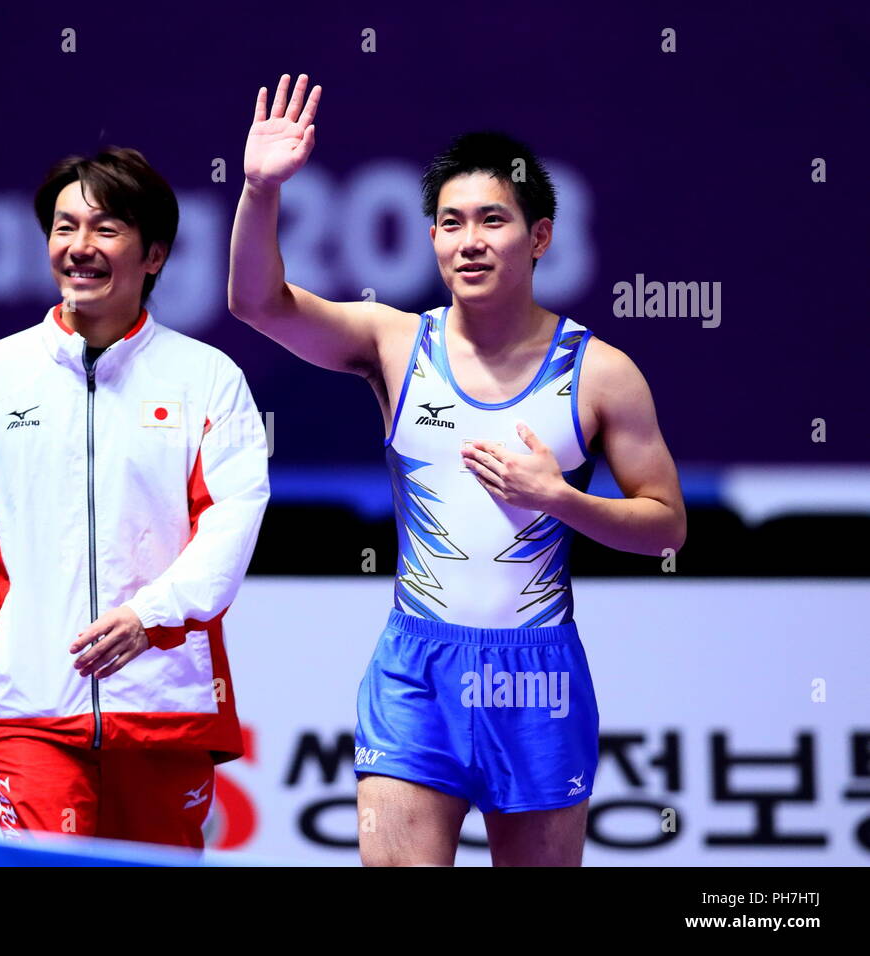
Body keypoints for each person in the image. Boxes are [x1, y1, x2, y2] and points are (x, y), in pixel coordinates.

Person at [229, 74, 686, 866]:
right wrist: (261, 189)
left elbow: (667, 528)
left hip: (539, 679)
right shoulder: (393, 341)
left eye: (492, 220)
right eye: (449, 222)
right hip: (417, 671)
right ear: (431, 239)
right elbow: (256, 304)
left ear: (539, 237)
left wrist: (559, 499)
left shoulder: (603, 373)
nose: (468, 240)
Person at [0, 146, 269, 849]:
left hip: (167, 707)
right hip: (31, 710)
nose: (80, 248)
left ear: (154, 254)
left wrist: (150, 615)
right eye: (64, 227)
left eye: (106, 229)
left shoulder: (208, 379)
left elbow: (232, 524)